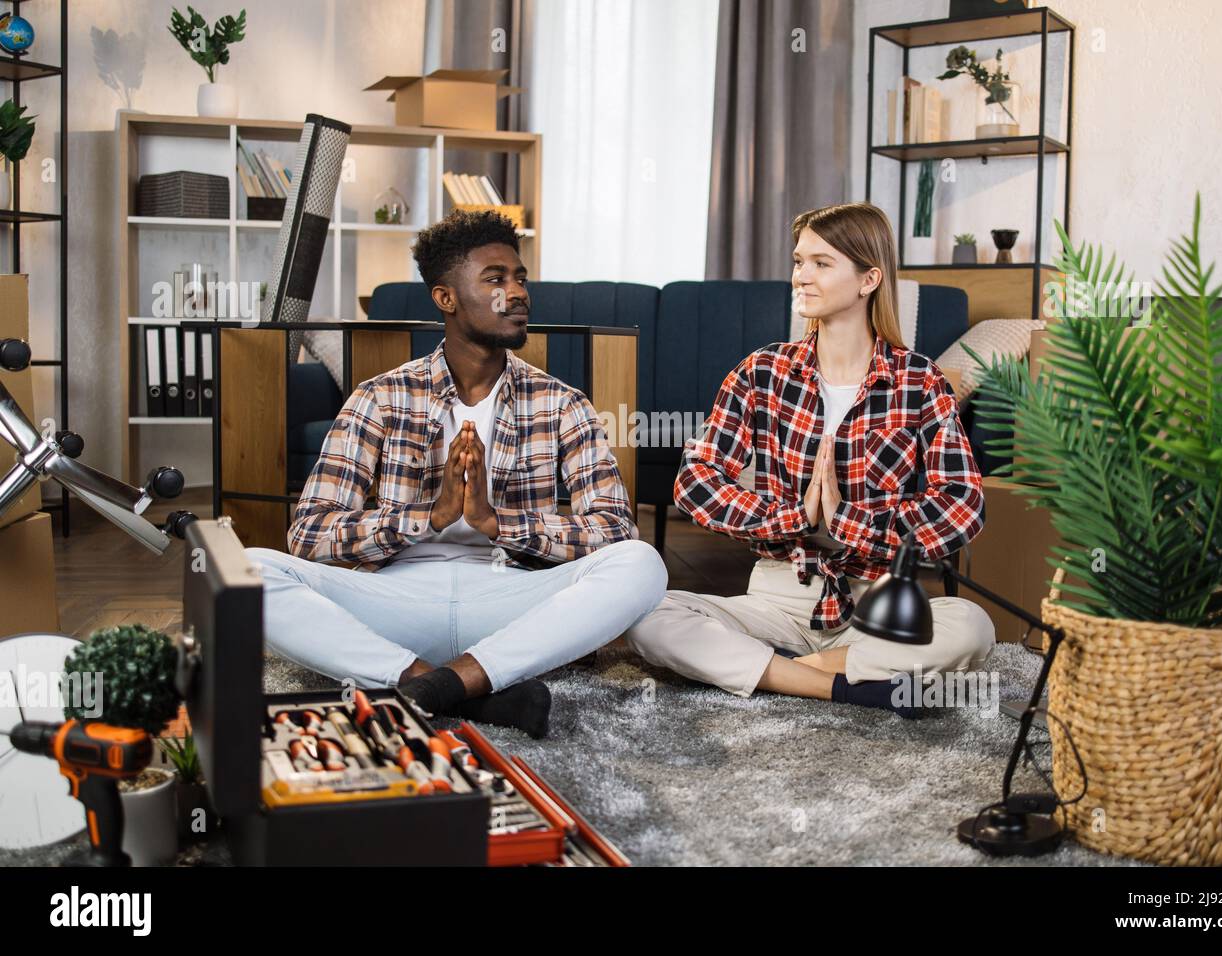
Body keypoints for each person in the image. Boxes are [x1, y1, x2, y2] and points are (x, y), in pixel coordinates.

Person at [246, 210, 667, 738]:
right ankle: (454, 687)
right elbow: (308, 535)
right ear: (446, 298)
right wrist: (428, 517)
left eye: (520, 279)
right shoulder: (380, 396)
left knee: (642, 564)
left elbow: (615, 531)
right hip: (397, 599)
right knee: (249, 570)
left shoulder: (563, 404)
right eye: (496, 279)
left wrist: (498, 524)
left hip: (509, 600)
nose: (517, 294)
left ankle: (437, 685)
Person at [624, 202, 994, 715]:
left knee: (972, 624)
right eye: (799, 261)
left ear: (869, 279)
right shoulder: (762, 372)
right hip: (779, 598)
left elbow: (962, 504)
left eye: (822, 263)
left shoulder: (920, 382)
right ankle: (840, 683)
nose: (801, 276)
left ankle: (781, 672)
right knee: (647, 615)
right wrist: (795, 518)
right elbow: (696, 481)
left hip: (878, 602)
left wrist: (850, 522)